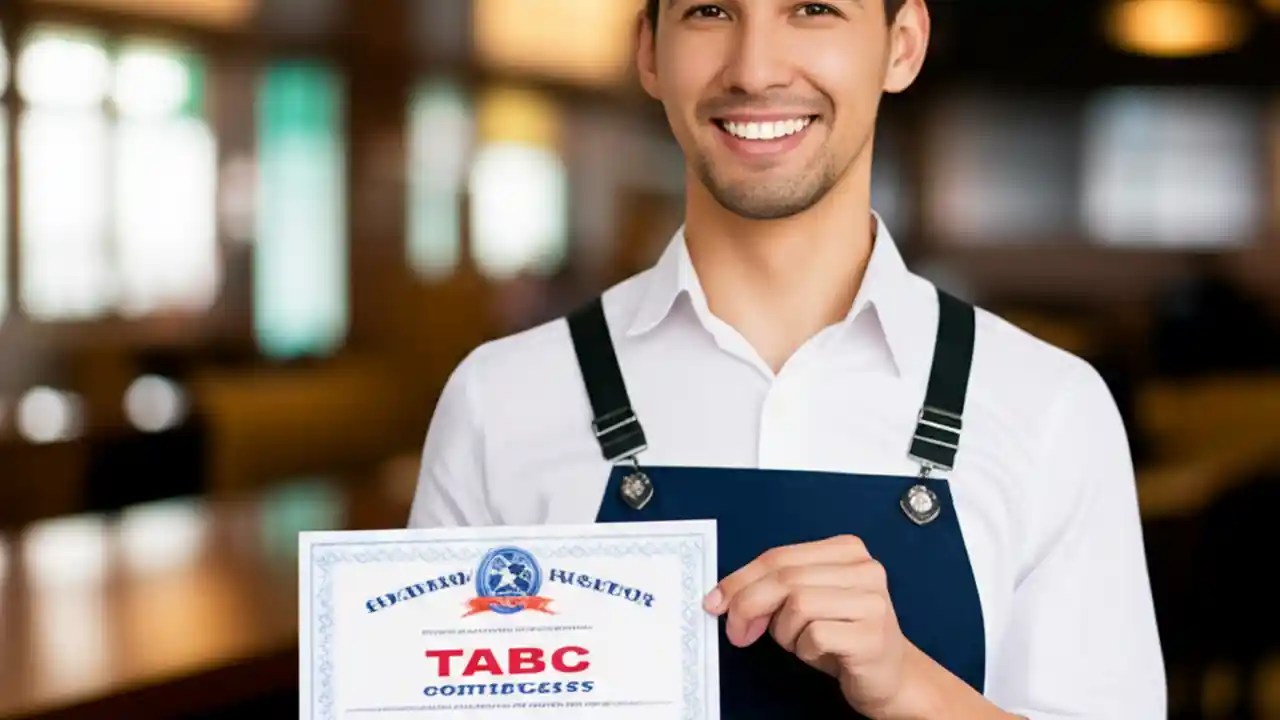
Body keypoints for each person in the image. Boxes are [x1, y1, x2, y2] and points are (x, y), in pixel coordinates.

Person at [408, 0, 1166, 717]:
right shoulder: (497, 399)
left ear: (902, 44)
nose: (755, 69)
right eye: (710, 10)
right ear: (649, 51)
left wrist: (911, 687)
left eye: (813, 8)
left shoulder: (1051, 407)